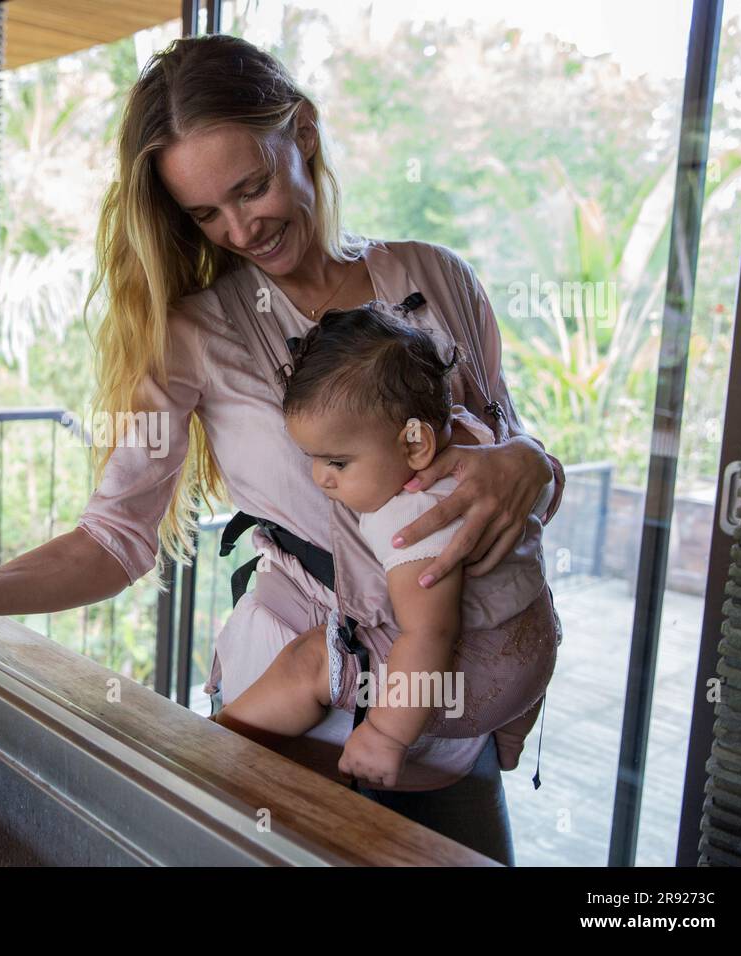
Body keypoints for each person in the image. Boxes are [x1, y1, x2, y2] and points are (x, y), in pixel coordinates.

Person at [0, 33, 565, 865]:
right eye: (205, 213)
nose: (241, 228)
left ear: (307, 134)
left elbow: (505, 461)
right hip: (302, 709)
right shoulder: (194, 334)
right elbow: (113, 538)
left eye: (251, 187)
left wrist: (535, 465)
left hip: (457, 707)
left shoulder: (438, 278)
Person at [211, 303, 560, 791]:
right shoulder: (472, 440)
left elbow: (429, 634)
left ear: (414, 445)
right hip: (535, 650)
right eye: (313, 458)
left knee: (308, 661)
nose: (320, 478)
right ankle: (512, 739)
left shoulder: (411, 517)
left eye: (337, 461)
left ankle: (204, 752)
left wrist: (386, 735)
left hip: (479, 681)